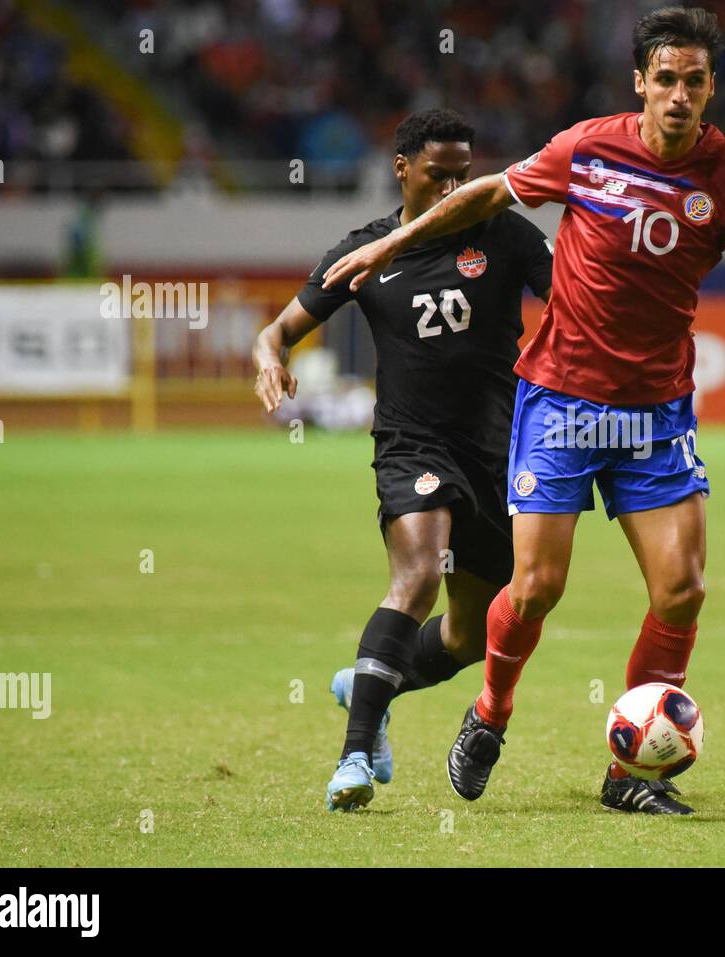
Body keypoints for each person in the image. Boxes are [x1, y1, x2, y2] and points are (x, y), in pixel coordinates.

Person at [321, 7, 725, 816]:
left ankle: (630, 775)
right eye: (667, 80)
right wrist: (389, 246)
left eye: (696, 82)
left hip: (654, 416)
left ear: (712, 88)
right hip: (562, 402)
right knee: (536, 587)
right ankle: (491, 711)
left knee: (682, 589)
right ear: (641, 82)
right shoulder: (586, 147)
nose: (680, 96)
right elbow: (485, 197)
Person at [251, 109, 552, 811]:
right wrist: (271, 358)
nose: (452, 184)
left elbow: (575, 293)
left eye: (462, 172)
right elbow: (279, 329)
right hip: (410, 443)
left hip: (497, 454)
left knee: (467, 636)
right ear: (402, 169)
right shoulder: (365, 251)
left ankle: (372, 685)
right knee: (416, 574)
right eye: (437, 172)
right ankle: (355, 755)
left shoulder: (503, 234)